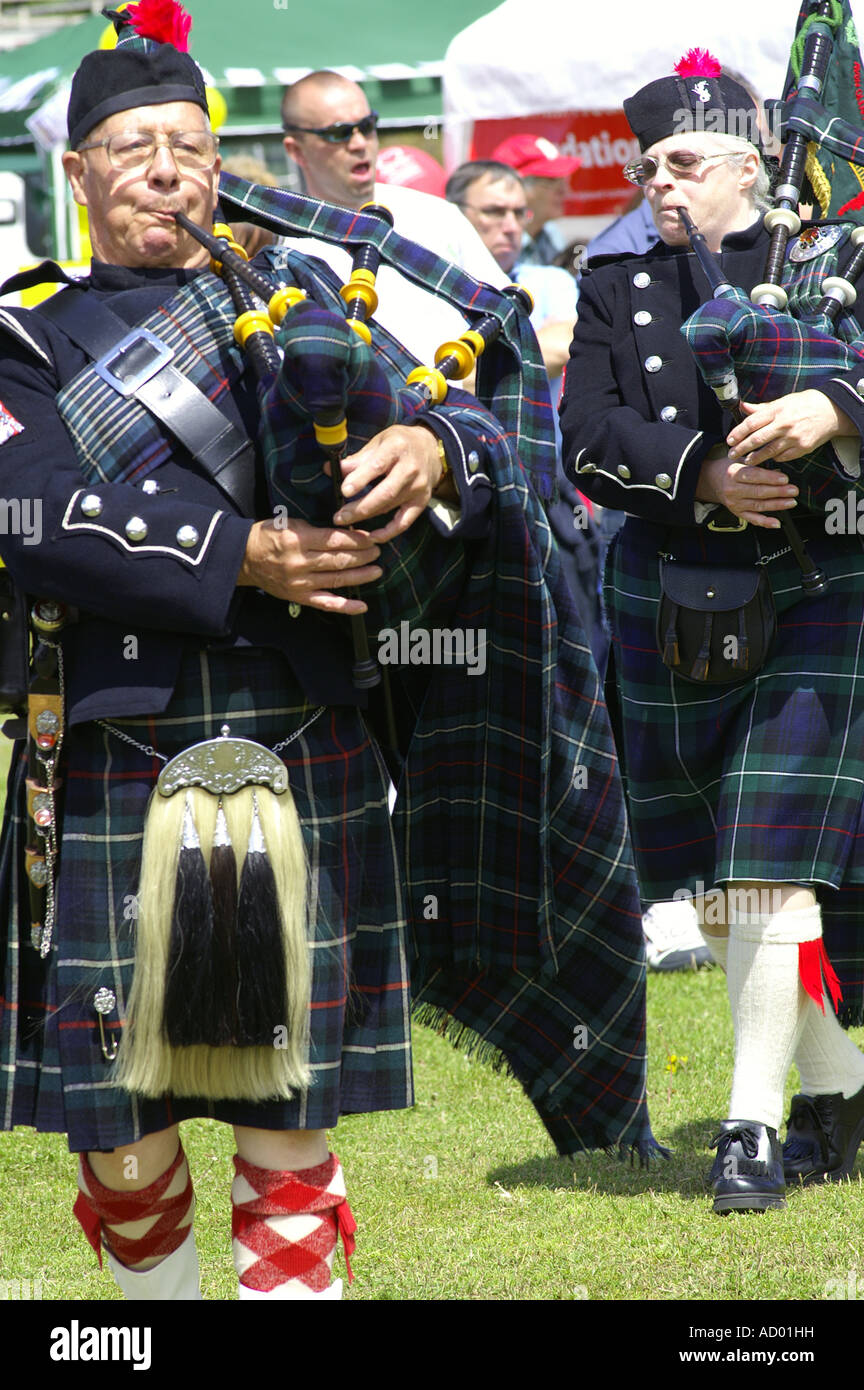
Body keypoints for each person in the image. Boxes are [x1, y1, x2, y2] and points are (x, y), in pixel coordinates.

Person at [0, 3, 655, 1301]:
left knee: (284, 1111)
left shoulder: (301, 300)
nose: (164, 168)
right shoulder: (26, 333)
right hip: (114, 744)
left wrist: (432, 447)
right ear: (76, 173)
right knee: (121, 1142)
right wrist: (234, 550)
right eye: (131, 146)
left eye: (186, 142)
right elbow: (29, 512)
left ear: (218, 157)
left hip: (297, 742)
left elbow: (463, 414)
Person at [561, 50, 864, 1212]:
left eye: (684, 162)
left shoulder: (836, 254)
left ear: (754, 160)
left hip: (827, 582)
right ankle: (838, 1085)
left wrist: (834, 405)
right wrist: (701, 477)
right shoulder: (617, 278)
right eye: (647, 165)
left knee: (766, 864)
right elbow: (584, 429)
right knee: (731, 884)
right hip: (681, 585)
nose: (661, 183)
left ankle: (748, 1130)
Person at [446, 157, 604, 668]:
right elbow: (435, 379)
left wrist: (471, 357)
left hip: (555, 485)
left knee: (582, 636)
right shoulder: (432, 283)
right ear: (454, 214)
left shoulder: (548, 281)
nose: (512, 224)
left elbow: (572, 344)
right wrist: (536, 349)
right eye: (494, 211)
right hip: (468, 489)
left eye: (519, 211)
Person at [279, 70, 507, 364]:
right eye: (339, 132)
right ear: (296, 150)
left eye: (367, 126)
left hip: (460, 405)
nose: (359, 142)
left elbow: (505, 314)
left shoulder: (437, 215)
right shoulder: (285, 246)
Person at [491, 134, 581, 268]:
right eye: (551, 180)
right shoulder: (496, 247)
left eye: (563, 180)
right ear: (516, 187)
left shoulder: (551, 235)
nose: (564, 191)